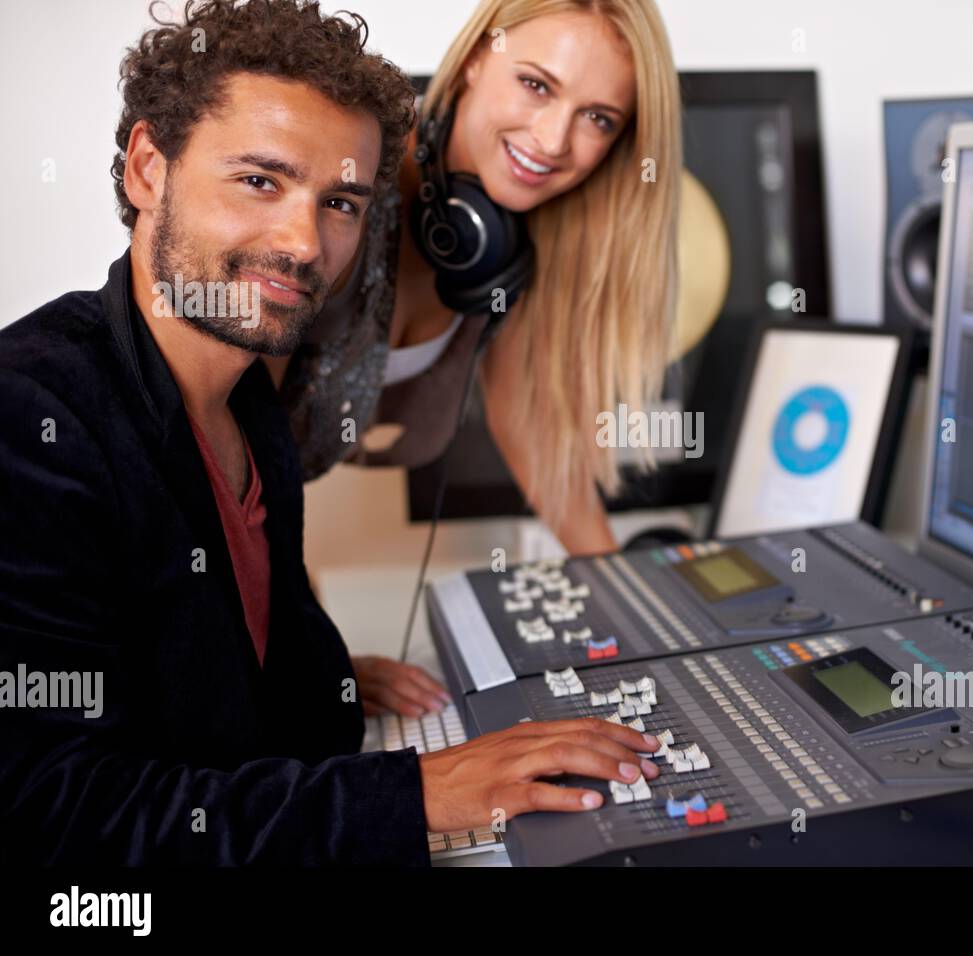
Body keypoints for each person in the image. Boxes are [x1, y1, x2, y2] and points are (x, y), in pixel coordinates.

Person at [0, 0, 661, 866]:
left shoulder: (254, 418)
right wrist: (421, 794)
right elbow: (54, 815)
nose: (304, 242)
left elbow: (259, 721)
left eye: (342, 202)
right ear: (148, 168)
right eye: (261, 181)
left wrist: (326, 675)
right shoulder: (33, 418)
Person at [272, 0, 682, 719]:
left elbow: (532, 428)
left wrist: (647, 622)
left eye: (599, 118)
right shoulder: (345, 185)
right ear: (470, 66)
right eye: (536, 84)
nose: (553, 139)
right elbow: (237, 457)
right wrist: (313, 655)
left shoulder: (506, 244)